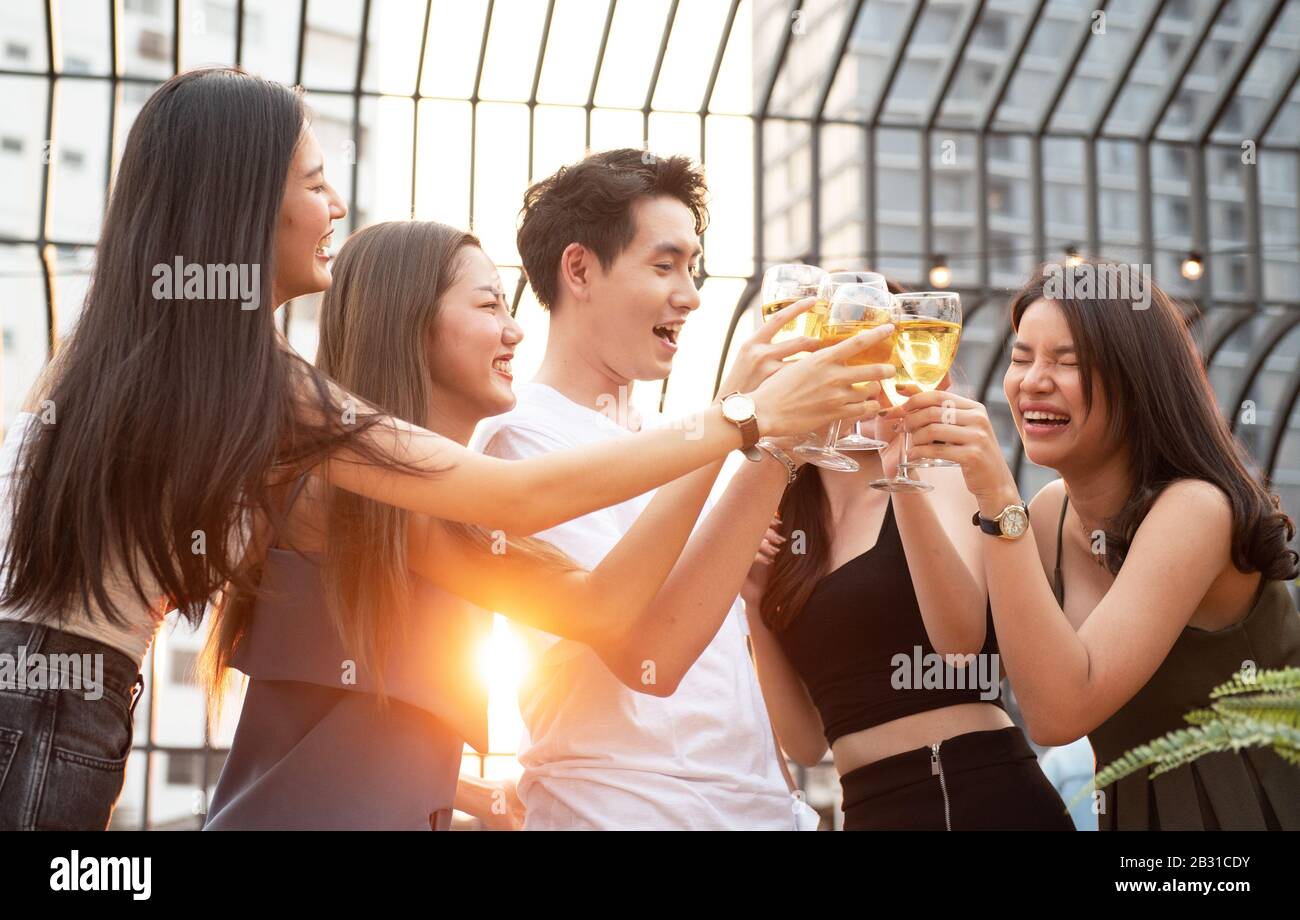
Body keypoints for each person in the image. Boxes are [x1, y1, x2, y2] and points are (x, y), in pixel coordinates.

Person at [0, 69, 883, 831]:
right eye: (312, 182)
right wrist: (741, 420)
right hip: (53, 717)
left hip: (58, 709)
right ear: (242, 201)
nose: (335, 205)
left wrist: (450, 780)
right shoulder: (273, 400)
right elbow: (524, 506)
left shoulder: (152, 362)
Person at [473, 149, 896, 830]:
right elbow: (650, 661)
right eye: (665, 265)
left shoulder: (672, 440)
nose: (692, 295)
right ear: (578, 269)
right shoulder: (520, 441)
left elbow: (717, 685)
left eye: (693, 268)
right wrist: (763, 433)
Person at [888, 261, 1300, 830]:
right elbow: (958, 646)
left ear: (1138, 382)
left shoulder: (1194, 509)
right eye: (1021, 356)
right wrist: (902, 474)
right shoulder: (1051, 513)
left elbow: (1058, 713)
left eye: (1068, 362)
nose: (1032, 380)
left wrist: (996, 495)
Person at [743, 279, 1073, 831]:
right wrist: (754, 604)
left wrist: (902, 473)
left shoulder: (941, 475)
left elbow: (960, 643)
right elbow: (804, 741)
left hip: (977, 791)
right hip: (868, 808)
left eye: (876, 354)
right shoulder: (783, 518)